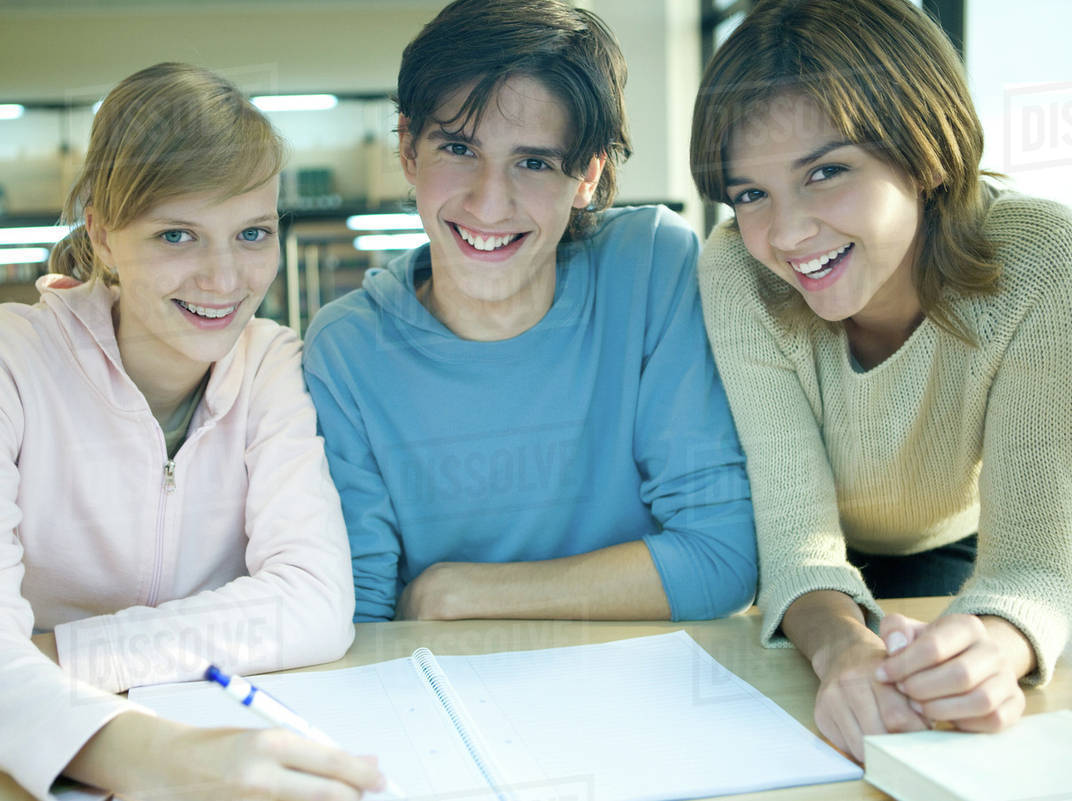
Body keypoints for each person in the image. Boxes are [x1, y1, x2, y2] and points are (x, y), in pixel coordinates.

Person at [0, 63, 384, 800]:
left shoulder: (273, 362)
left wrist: (52, 649)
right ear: (103, 236)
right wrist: (148, 754)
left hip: (196, 720)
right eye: (178, 234)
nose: (225, 277)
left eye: (252, 233)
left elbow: (312, 603)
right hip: (25, 757)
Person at [689, 0, 1072, 762]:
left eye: (826, 172)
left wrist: (996, 649)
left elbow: (1032, 561)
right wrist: (841, 651)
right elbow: (798, 537)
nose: (786, 234)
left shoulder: (1042, 259)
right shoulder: (736, 269)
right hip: (803, 578)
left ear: (926, 154)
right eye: (749, 194)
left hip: (954, 547)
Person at [304, 0, 757, 623]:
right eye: (459, 149)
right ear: (409, 149)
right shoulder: (347, 348)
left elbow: (722, 559)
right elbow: (361, 620)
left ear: (587, 175)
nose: (490, 205)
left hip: (650, 690)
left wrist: (452, 593)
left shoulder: (649, 267)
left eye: (535, 162)